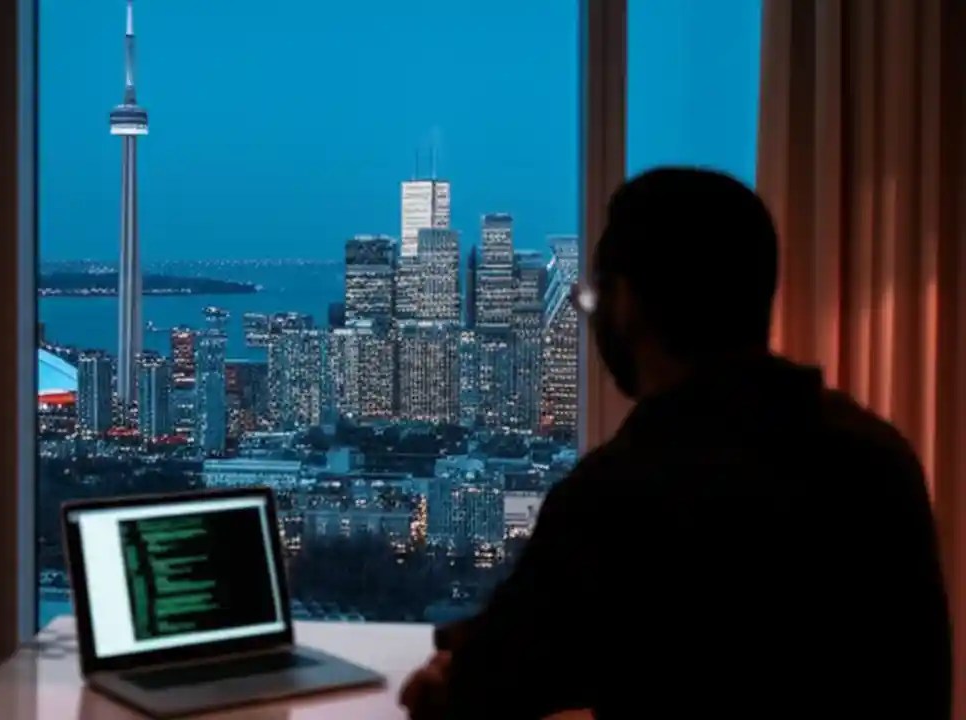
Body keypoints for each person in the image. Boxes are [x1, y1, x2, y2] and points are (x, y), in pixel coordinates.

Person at [400, 167, 951, 719]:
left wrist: (452, 673)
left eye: (593, 297)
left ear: (628, 304)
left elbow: (484, 687)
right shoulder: (880, 460)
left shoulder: (619, 496)